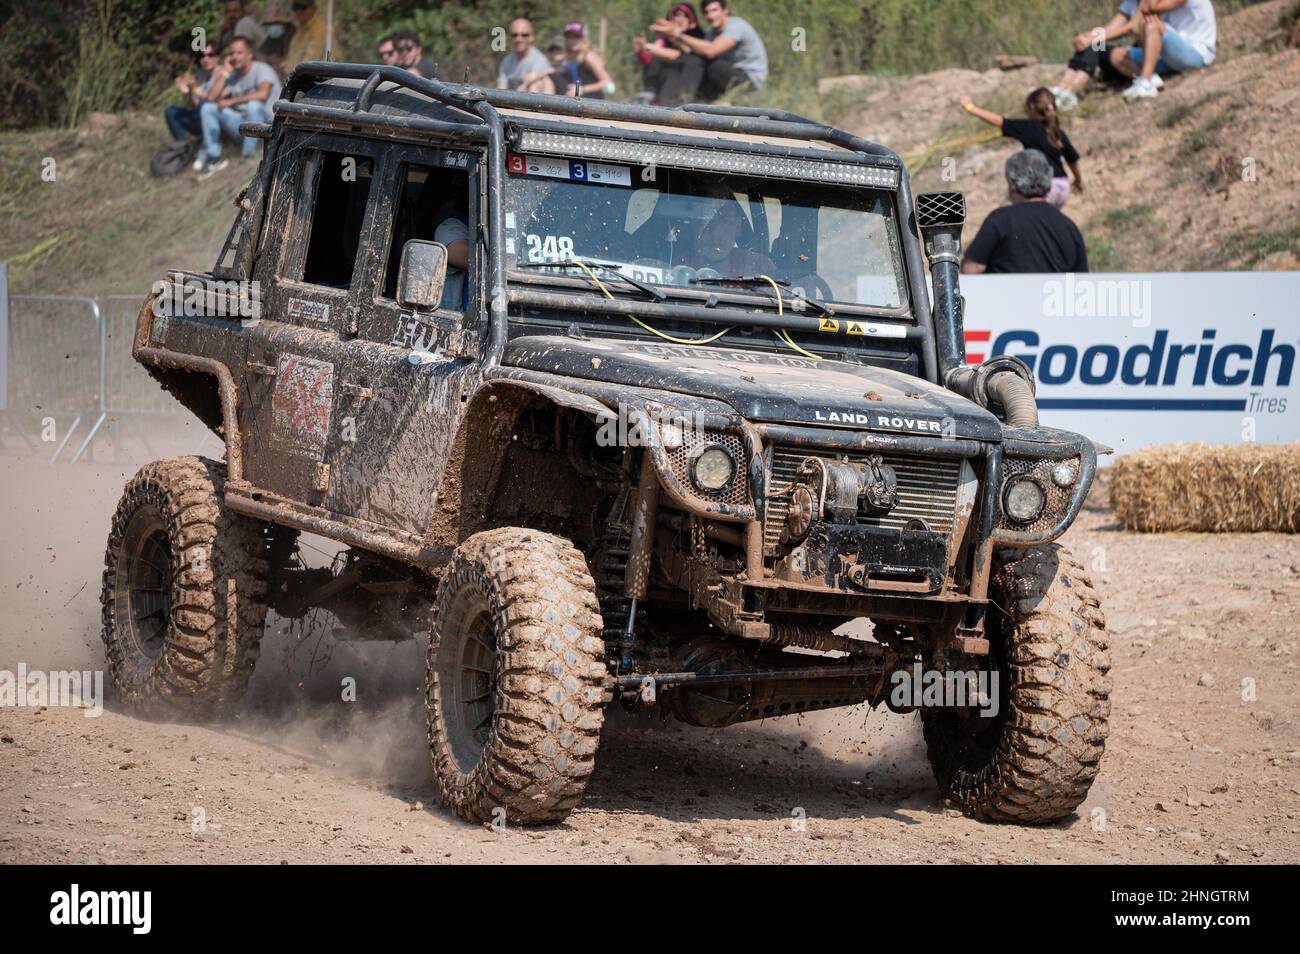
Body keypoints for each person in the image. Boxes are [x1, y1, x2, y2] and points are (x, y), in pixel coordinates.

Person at [962, 150, 1088, 274]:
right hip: (1053, 294)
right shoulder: (1069, 226)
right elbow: (1081, 281)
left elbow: (971, 269)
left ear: (1012, 186)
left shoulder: (1000, 220)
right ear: (1049, 183)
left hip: (1008, 294)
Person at [958, 88, 1082, 208]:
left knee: (1028, 217)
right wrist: (1078, 180)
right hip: (1062, 187)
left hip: (1045, 187)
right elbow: (1072, 160)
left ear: (1032, 107)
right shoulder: (1057, 132)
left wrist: (970, 107)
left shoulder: (1026, 127)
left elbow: (997, 120)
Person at [650, 0, 767, 103]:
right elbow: (692, 53)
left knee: (713, 65)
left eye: (714, 10)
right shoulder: (712, 33)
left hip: (749, 81)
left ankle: (683, 101)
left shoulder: (736, 26)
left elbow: (711, 51)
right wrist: (671, 36)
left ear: (725, 10)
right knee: (689, 61)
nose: (711, 16)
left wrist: (678, 35)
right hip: (726, 78)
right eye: (706, 12)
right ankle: (671, 102)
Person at [196, 37, 280, 176]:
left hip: (268, 126)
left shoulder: (261, 69)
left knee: (253, 106)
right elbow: (212, 98)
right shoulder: (233, 77)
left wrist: (232, 101)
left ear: (249, 54)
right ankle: (214, 157)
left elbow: (262, 94)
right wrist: (224, 74)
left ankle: (247, 156)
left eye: (239, 53)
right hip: (244, 125)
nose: (235, 57)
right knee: (208, 108)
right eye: (232, 53)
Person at [1113, 0, 1216, 100]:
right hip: (1172, 55)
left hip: (1198, 53)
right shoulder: (1129, 3)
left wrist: (1098, 37)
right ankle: (1153, 80)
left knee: (1152, 24)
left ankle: (1145, 83)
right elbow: (1114, 27)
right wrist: (1097, 36)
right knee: (1117, 55)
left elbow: (1147, 9)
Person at [1050, 0, 1142, 109]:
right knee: (1089, 45)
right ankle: (1063, 87)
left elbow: (1131, 27)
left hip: (1146, 56)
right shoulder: (1130, 3)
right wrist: (1087, 36)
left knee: (1095, 45)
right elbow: (1111, 27)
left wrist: (1094, 39)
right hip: (1133, 56)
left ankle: (1070, 91)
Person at [633, 3, 706, 105]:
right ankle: (651, 93)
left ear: (690, 20)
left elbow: (681, 53)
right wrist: (640, 50)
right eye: (677, 15)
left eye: (685, 16)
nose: (680, 19)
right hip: (666, 77)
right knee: (660, 64)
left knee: (675, 72)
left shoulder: (697, 35)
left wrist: (647, 46)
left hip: (694, 80)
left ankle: (678, 101)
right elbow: (649, 59)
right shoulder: (664, 39)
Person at [165, 43, 223, 142]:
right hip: (201, 118)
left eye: (210, 55)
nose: (206, 59)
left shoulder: (223, 74)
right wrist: (187, 92)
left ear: (217, 57)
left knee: (205, 106)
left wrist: (192, 88)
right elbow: (196, 105)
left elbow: (210, 99)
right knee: (171, 111)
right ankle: (182, 147)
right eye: (202, 56)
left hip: (218, 120)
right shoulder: (201, 75)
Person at [559, 21, 614, 98]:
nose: (572, 40)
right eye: (569, 37)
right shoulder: (570, 58)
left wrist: (581, 89)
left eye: (576, 36)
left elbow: (608, 83)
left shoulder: (589, 56)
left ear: (584, 38)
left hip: (591, 103)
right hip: (575, 101)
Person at [496, 18, 550, 90]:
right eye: (514, 35)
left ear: (532, 37)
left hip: (531, 100)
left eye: (524, 35)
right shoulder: (506, 61)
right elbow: (501, 88)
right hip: (511, 100)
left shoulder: (539, 61)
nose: (518, 39)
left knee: (536, 84)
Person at [283, 0, 327, 72]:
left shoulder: (320, 30)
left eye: (303, 7)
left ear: (314, 8)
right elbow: (293, 60)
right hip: (296, 77)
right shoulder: (300, 30)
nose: (299, 11)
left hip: (317, 80)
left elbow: (308, 65)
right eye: (296, 7)